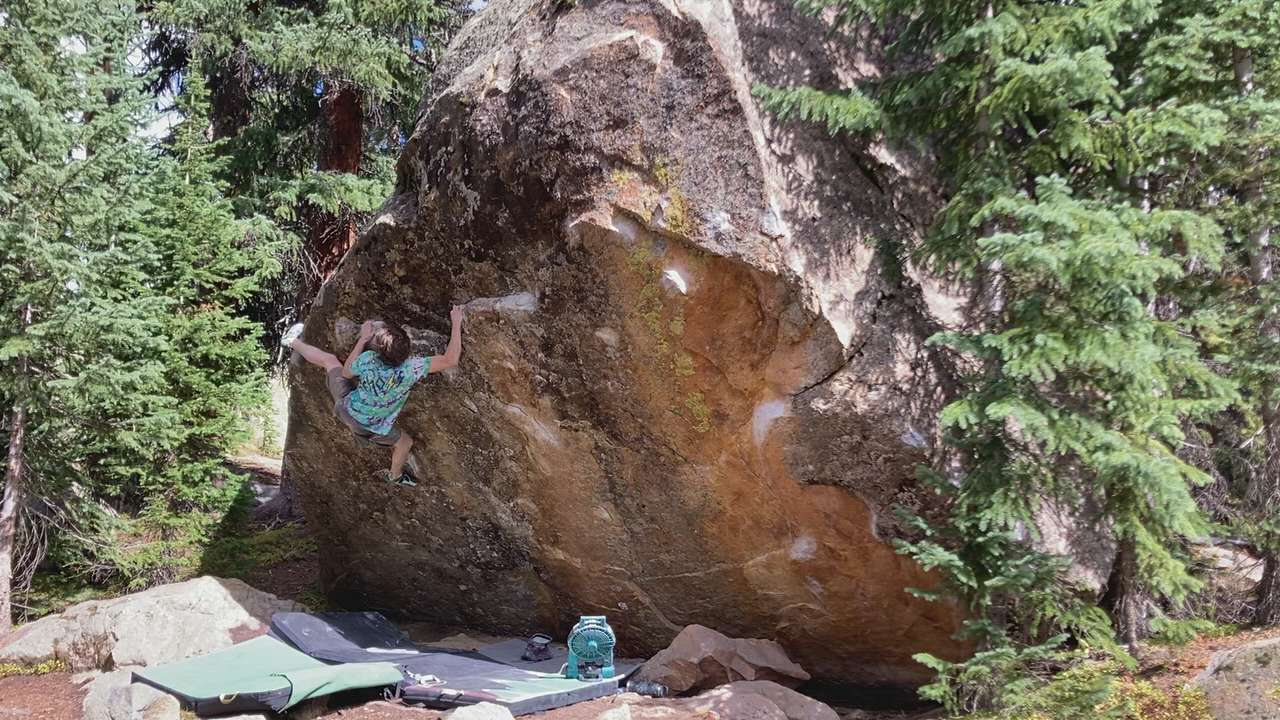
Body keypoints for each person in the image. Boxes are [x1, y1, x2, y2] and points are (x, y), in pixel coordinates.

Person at [280, 306, 464, 485]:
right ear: (406, 352)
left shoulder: (369, 360)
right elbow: (451, 359)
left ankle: (292, 342)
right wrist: (456, 322)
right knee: (405, 443)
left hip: (347, 409)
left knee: (329, 361)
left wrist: (362, 340)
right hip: (373, 426)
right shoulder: (411, 369)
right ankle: (395, 476)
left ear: (379, 351)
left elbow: (346, 373)